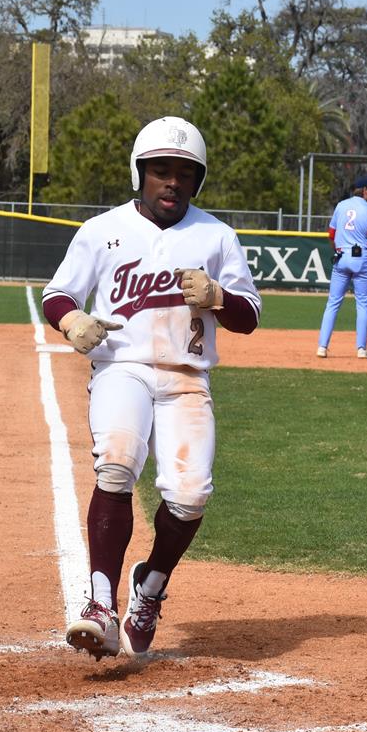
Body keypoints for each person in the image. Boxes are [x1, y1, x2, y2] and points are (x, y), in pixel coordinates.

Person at [42, 116, 262, 660]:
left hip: (187, 377)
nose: (172, 182)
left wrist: (217, 297)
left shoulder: (216, 236)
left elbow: (249, 315)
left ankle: (150, 587)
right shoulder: (102, 230)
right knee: (116, 463)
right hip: (123, 368)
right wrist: (73, 323)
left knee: (189, 497)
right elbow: (58, 294)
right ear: (140, 174)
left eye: (184, 173)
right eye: (161, 171)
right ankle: (99, 603)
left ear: (197, 181)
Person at [317, 173, 367, 359]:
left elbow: (331, 234)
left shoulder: (341, 206)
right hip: (361, 258)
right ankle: (361, 349)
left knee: (332, 303)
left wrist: (337, 250)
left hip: (341, 257)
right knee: (363, 304)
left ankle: (322, 347)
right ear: (365, 190)